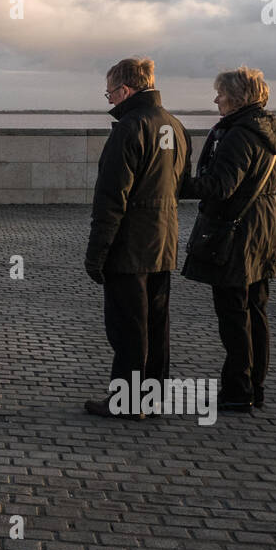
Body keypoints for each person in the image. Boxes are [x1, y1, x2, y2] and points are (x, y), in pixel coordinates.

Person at [84, 57, 191, 419]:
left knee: (128, 328)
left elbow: (112, 198)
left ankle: (128, 404)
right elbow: (181, 184)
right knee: (157, 326)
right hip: (163, 242)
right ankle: (151, 399)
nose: (110, 100)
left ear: (125, 89)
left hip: (129, 247)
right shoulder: (175, 126)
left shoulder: (129, 129)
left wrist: (97, 252)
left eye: (111, 93)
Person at [182, 66, 276, 413]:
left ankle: (238, 389)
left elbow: (220, 187)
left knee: (234, 314)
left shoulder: (239, 135)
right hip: (263, 227)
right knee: (255, 310)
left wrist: (176, 183)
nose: (215, 99)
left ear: (238, 97)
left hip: (239, 235)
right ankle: (254, 386)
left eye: (220, 93)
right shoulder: (267, 129)